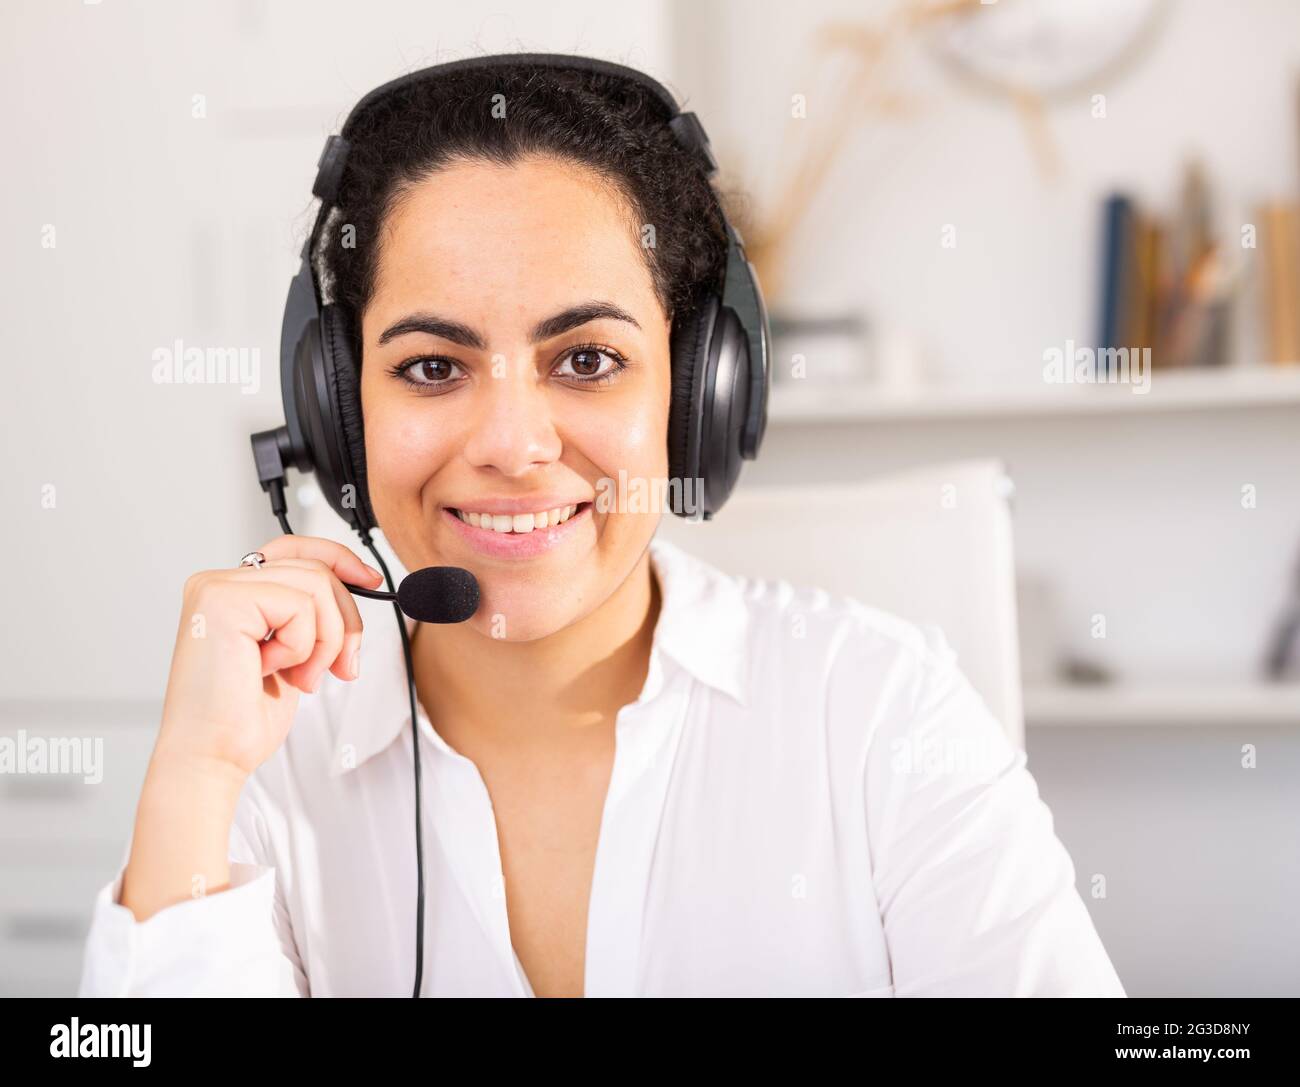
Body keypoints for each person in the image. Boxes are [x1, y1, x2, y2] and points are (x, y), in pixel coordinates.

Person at [78, 55, 1125, 998]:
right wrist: (194, 776)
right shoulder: (267, 758)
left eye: (585, 358)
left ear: (698, 393)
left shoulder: (880, 713)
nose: (512, 442)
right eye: (432, 368)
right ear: (336, 415)